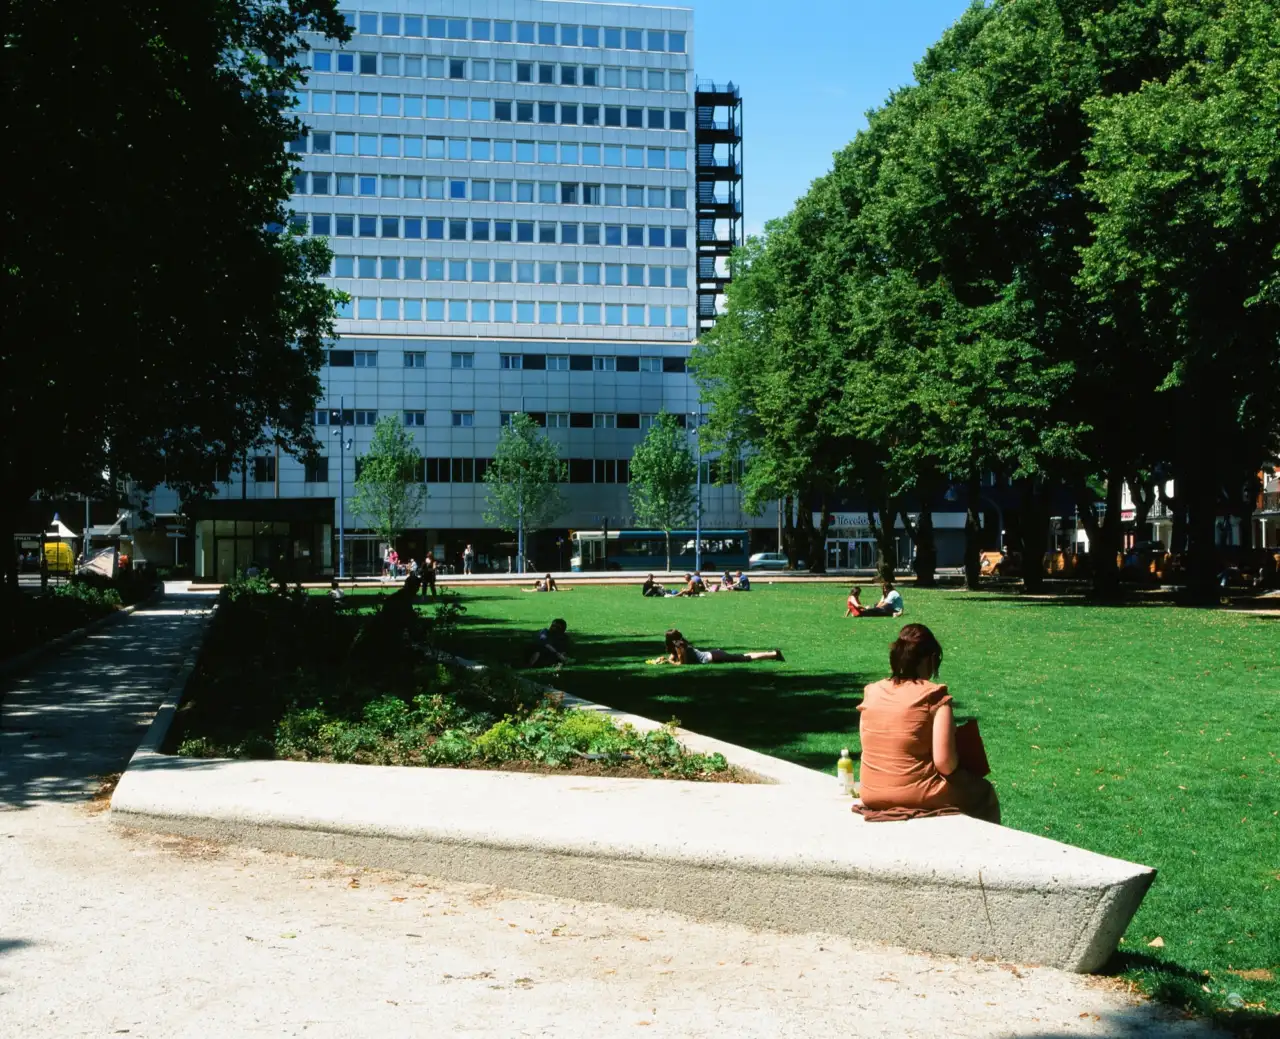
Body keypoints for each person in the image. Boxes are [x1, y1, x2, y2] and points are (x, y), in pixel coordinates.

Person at [854, 624, 1000, 824]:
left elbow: (868, 743)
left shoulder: (872, 691)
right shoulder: (934, 695)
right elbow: (945, 764)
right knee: (984, 792)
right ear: (930, 659)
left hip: (870, 791)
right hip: (912, 792)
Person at [658, 628, 783, 665]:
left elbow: (682, 664)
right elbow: (674, 657)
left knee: (745, 657)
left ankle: (774, 654)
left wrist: (669, 662)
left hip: (713, 657)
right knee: (744, 656)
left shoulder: (680, 646)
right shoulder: (680, 644)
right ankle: (772, 653)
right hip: (713, 654)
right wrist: (665, 659)